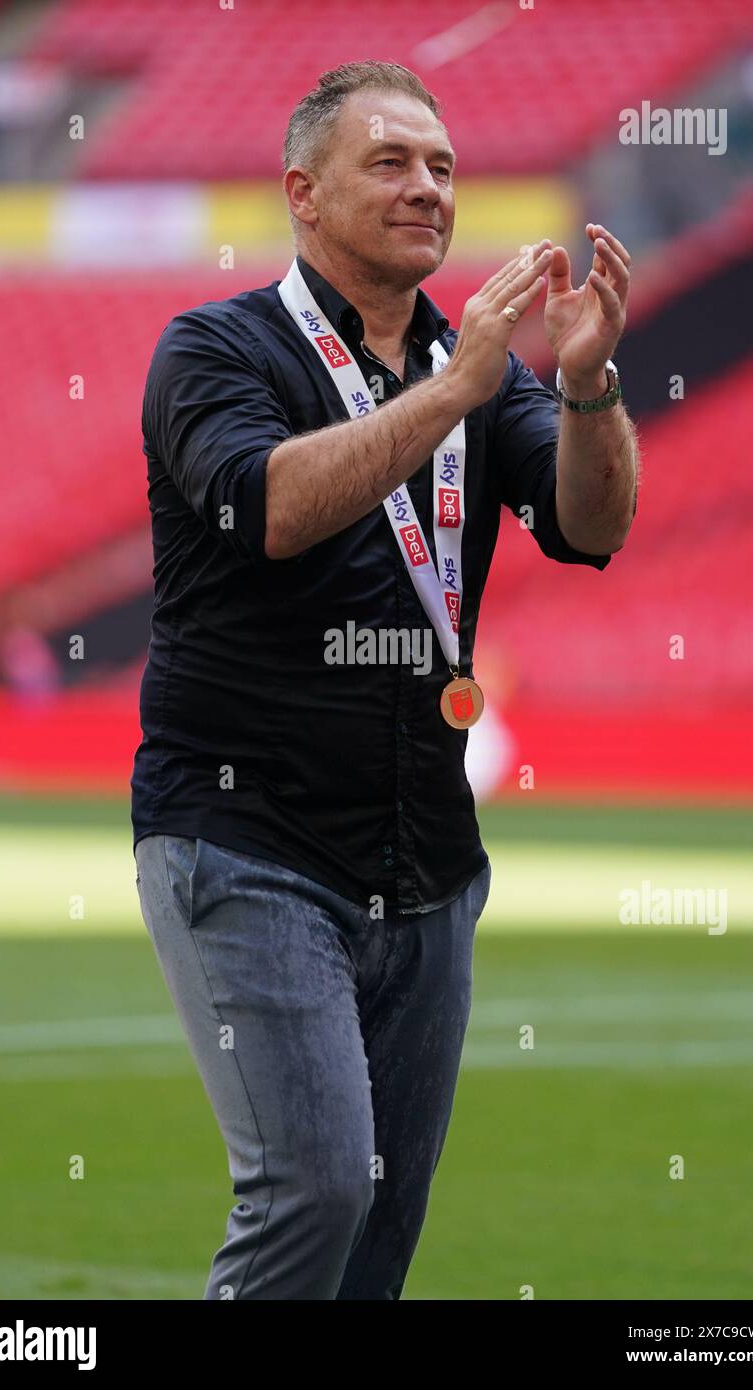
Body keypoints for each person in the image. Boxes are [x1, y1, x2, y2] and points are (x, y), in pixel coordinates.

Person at [132, 60, 639, 1300]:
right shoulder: (213, 347)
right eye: (392, 163)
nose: (428, 188)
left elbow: (590, 526)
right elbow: (268, 507)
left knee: (378, 1239)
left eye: (443, 168)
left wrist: (580, 386)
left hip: (422, 857)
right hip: (248, 836)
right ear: (303, 193)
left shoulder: (474, 361)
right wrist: (455, 389)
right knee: (314, 1186)